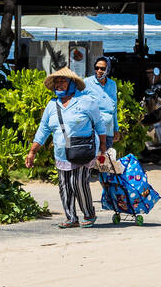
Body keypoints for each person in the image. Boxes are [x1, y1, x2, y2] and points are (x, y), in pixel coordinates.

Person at [25, 67, 109, 228]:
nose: (59, 85)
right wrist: (32, 152)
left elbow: (99, 124)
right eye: (56, 82)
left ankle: (89, 213)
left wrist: (103, 145)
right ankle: (71, 218)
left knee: (78, 182)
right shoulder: (52, 105)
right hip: (62, 152)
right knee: (65, 185)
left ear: (72, 84)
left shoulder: (86, 101)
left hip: (84, 149)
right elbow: (43, 129)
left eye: (63, 81)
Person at [83, 56, 119, 145]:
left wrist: (116, 129)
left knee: (105, 158)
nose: (99, 71)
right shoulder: (86, 82)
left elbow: (114, 109)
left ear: (108, 69)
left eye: (102, 69)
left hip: (109, 133)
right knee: (93, 159)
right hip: (93, 133)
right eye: (96, 68)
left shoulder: (112, 84)